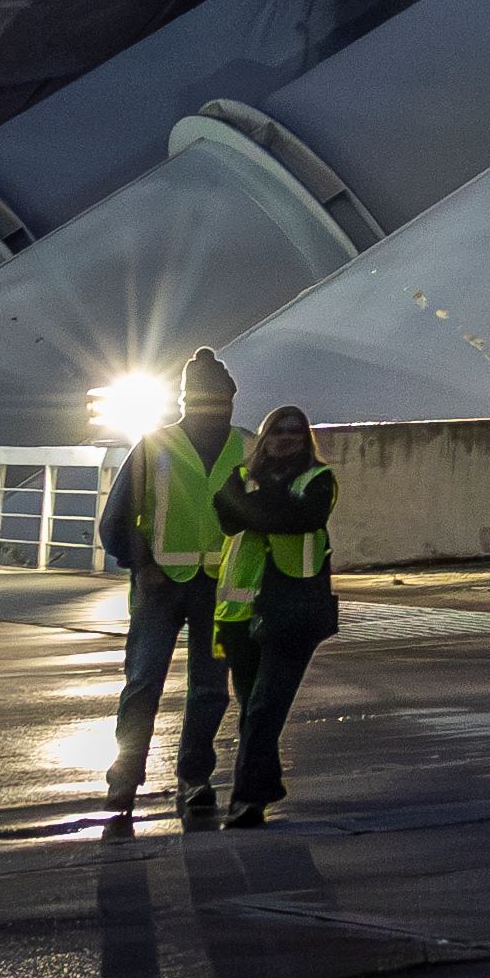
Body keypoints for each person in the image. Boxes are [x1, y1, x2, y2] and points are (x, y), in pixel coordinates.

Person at [97, 348, 247, 822]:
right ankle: (128, 775)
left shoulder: (247, 446)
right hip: (162, 585)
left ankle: (193, 777)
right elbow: (116, 520)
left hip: (218, 589)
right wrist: (143, 564)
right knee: (146, 681)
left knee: (206, 688)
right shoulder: (155, 445)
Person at [211, 404, 342, 827]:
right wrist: (266, 507)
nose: (287, 437)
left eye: (297, 431)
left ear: (307, 439)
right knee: (252, 708)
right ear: (265, 436)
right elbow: (226, 516)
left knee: (266, 707)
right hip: (239, 610)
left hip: (296, 610)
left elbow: (300, 519)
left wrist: (254, 506)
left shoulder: (319, 480)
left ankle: (247, 801)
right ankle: (266, 784)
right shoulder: (242, 477)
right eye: (278, 430)